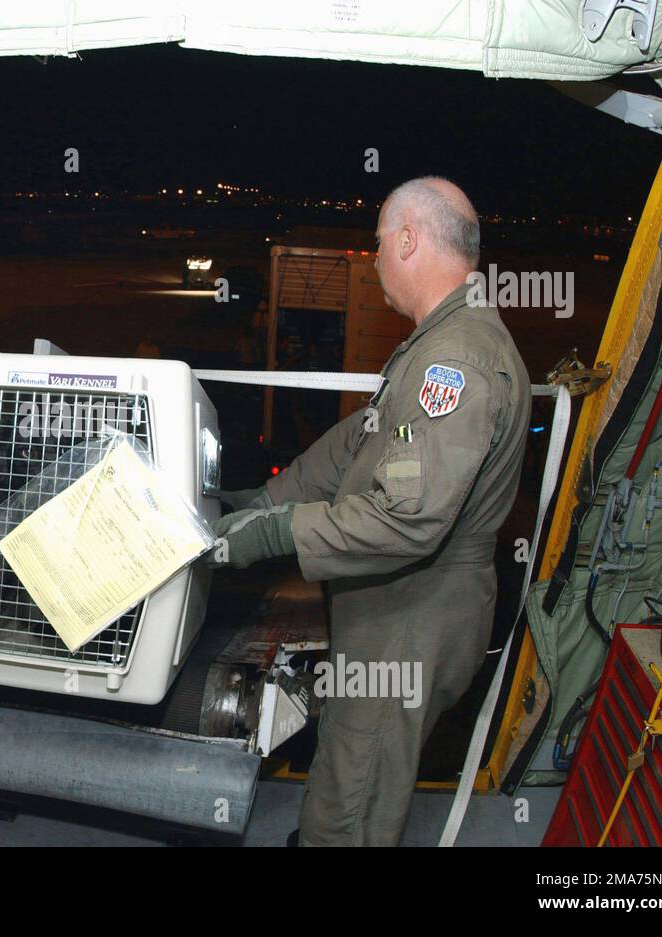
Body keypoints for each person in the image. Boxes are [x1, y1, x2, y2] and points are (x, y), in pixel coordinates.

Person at [209, 177, 530, 846]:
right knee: (350, 758)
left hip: (415, 611)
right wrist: (263, 499)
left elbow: (406, 520)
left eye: (380, 242)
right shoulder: (437, 340)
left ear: (409, 240)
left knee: (357, 786)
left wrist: (273, 531)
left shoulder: (457, 361)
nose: (377, 255)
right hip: (395, 600)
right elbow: (358, 443)